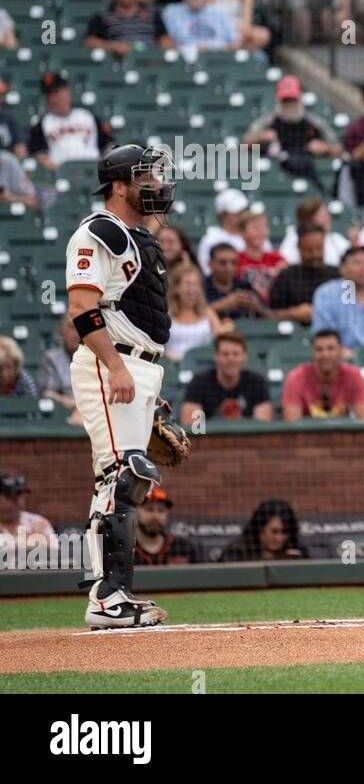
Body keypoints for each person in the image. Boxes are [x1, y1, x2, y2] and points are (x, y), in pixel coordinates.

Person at [64, 144, 178, 628]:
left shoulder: (138, 237)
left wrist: (144, 379)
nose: (154, 184)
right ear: (118, 184)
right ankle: (108, 598)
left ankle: (112, 592)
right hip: (111, 365)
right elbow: (83, 307)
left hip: (138, 367)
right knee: (123, 475)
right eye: (145, 177)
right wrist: (115, 366)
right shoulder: (98, 231)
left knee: (124, 477)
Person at [242, 75, 341, 192]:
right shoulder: (268, 122)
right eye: (285, 100)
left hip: (308, 170)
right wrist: (261, 137)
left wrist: (325, 148)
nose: (289, 104)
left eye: (292, 100)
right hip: (276, 174)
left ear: (299, 100)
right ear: (279, 101)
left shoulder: (313, 123)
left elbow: (338, 149)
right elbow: (245, 143)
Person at [180, 331, 273, 423]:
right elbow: (192, 427)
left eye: (236, 354)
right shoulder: (199, 383)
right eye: (225, 354)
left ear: (245, 357)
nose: (230, 359)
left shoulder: (257, 382)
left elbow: (263, 427)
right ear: (216, 356)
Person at [28, 72, 114, 171]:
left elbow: (109, 145)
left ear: (68, 92)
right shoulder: (41, 124)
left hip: (94, 173)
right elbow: (40, 156)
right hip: (62, 177)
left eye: (55, 92)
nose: (52, 99)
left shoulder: (87, 116)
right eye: (48, 95)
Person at [84, 0, 175, 57]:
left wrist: (165, 45)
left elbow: (164, 38)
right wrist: (113, 46)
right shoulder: (103, 14)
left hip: (149, 62)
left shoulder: (152, 12)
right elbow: (90, 41)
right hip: (119, 64)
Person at [281, 329, 364, 420]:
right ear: (313, 352)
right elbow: (292, 426)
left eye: (331, 348)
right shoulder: (296, 378)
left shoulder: (353, 376)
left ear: (340, 351)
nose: (325, 355)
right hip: (308, 433)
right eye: (319, 350)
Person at [267, 226, 339, 325]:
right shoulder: (285, 276)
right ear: (299, 248)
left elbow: (352, 308)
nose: (315, 254)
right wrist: (293, 313)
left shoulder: (341, 275)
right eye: (309, 250)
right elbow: (270, 314)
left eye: (319, 248)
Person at [162, 0, 241, 59]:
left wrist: (216, 50)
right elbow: (165, 42)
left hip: (218, 61)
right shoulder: (172, 12)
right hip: (184, 62)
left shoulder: (219, 12)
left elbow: (235, 42)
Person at [164, 264, 221, 363]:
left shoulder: (208, 313)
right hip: (172, 368)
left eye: (196, 284)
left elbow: (220, 339)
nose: (192, 289)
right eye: (188, 284)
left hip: (203, 366)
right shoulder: (165, 313)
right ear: (176, 288)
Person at [220, 499, 309, 561]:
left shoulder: (297, 552)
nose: (279, 538)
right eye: (274, 532)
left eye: (284, 532)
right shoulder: (236, 553)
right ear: (260, 528)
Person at [133, 486, 200, 565]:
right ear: (136, 512)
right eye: (149, 509)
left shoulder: (183, 548)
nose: (156, 516)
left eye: (161, 510)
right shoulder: (123, 549)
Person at [279, 198, 353, 268]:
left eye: (327, 214)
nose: (327, 218)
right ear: (308, 219)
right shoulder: (293, 238)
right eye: (322, 215)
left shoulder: (336, 238)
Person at [204, 242, 266, 321]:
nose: (229, 268)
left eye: (234, 262)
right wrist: (222, 305)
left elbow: (271, 317)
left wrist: (258, 307)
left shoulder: (245, 287)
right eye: (223, 263)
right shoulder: (200, 289)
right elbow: (189, 316)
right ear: (210, 264)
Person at [235, 211, 287, 303]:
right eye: (256, 227)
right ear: (242, 232)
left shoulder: (276, 258)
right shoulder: (235, 260)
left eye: (264, 227)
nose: (261, 232)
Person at [0, 472, 55, 555]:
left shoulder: (38, 523)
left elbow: (56, 552)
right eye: (10, 496)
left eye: (20, 494)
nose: (17, 500)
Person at [38, 314, 81, 421]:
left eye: (80, 327)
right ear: (61, 333)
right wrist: (74, 405)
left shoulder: (95, 358)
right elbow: (48, 394)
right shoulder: (52, 359)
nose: (77, 333)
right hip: (63, 415)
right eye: (71, 327)